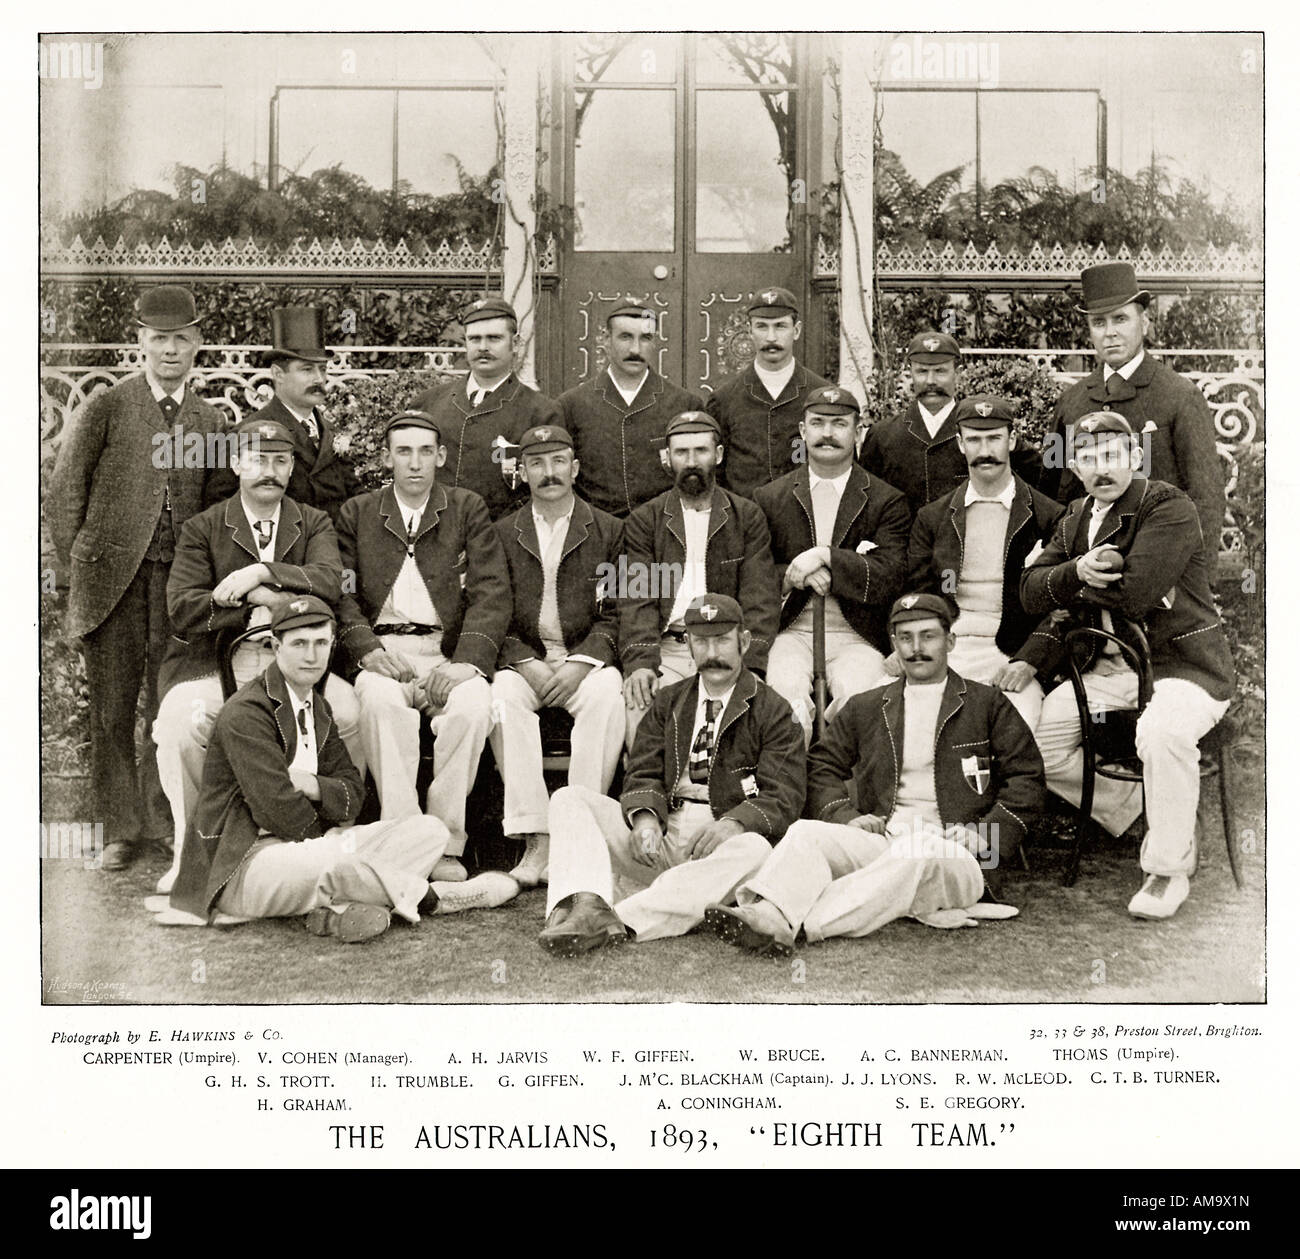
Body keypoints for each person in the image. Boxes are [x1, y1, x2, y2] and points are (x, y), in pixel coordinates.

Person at [706, 593, 1043, 955]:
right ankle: (770, 911)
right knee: (807, 833)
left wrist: (985, 834)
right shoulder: (868, 707)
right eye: (905, 638)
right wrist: (846, 816)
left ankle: (797, 923)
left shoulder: (986, 704)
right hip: (886, 841)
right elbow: (821, 764)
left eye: (928, 636)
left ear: (950, 641)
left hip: (959, 854)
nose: (916, 648)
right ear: (894, 645)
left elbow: (1027, 778)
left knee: (919, 849)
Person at [1021, 411, 1236, 920]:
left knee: (1161, 734)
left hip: (1182, 667)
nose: (1102, 468)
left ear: (1136, 458)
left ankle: (1167, 868)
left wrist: (1066, 574)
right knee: (1034, 747)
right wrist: (1077, 568)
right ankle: (1153, 811)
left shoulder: (1167, 504)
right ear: (1073, 464)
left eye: (1114, 455)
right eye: (1089, 458)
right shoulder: (1075, 515)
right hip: (1109, 671)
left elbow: (1137, 592)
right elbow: (1028, 595)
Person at [152, 596, 450, 942]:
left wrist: (313, 785)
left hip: (309, 847)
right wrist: (332, 837)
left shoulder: (319, 708)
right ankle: (432, 899)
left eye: (321, 643)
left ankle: (335, 909)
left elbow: (353, 796)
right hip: (246, 863)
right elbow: (277, 810)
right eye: (299, 644)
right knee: (335, 864)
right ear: (276, 647)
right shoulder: (245, 712)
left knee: (430, 831)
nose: (311, 656)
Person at [151, 415, 364, 894]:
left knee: (349, 712)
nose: (269, 470)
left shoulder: (313, 521)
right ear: (235, 463)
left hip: (299, 665)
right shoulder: (203, 527)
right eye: (257, 459)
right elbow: (183, 608)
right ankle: (194, 851)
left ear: (291, 468)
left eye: (280, 461)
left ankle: (333, 839)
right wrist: (256, 598)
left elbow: (329, 581)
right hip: (217, 663)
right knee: (182, 723)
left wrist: (261, 571)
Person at [49, 285, 222, 870]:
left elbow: (217, 505)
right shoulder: (108, 406)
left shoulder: (209, 419)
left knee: (169, 706)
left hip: (176, 587)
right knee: (113, 710)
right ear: (140, 343)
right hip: (112, 581)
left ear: (197, 343)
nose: (170, 350)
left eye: (181, 339)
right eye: (158, 339)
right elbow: (67, 490)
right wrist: (70, 578)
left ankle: (164, 820)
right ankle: (121, 830)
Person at [537, 595, 806, 955]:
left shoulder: (773, 710)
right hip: (665, 831)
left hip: (720, 842)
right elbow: (643, 769)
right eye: (701, 642)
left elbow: (784, 795)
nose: (712, 653)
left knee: (756, 849)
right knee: (569, 798)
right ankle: (582, 905)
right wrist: (646, 819)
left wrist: (736, 823)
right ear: (689, 646)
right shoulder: (669, 701)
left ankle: (622, 917)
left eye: (722, 640)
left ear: (743, 641)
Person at [335, 410, 511, 881]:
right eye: (404, 451)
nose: (415, 463)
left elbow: (492, 590)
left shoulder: (465, 507)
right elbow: (341, 592)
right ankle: (403, 837)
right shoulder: (359, 512)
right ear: (386, 456)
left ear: (441, 456)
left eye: (425, 452)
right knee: (379, 704)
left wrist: (467, 662)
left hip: (446, 652)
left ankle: (447, 843)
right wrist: (366, 650)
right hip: (385, 651)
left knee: (475, 708)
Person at [484, 424, 626, 897]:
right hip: (526, 663)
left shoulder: (609, 530)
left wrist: (583, 662)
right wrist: (525, 663)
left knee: (608, 695)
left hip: (584, 662)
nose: (550, 473)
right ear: (522, 472)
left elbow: (622, 610)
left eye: (559, 462)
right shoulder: (501, 534)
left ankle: (579, 830)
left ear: (575, 468)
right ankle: (538, 838)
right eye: (538, 464)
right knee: (502, 699)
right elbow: (490, 613)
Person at [1038, 262, 1225, 570]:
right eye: (1099, 322)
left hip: (1159, 576)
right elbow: (1052, 494)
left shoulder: (1179, 396)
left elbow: (1206, 499)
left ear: (1145, 322)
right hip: (1084, 577)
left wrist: (1195, 585)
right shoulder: (1071, 403)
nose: (1110, 333)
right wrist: (1055, 578)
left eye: (1121, 319)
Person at [755, 385, 910, 742]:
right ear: (802, 430)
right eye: (818, 423)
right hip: (790, 631)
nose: (827, 433)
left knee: (863, 701)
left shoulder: (886, 501)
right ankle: (790, 793)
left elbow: (891, 576)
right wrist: (794, 577)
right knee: (784, 702)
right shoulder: (770, 498)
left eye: (839, 424)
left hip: (857, 635)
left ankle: (844, 794)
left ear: (857, 433)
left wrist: (826, 558)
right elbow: (756, 573)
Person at [903, 394, 1065, 729]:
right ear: (960, 444)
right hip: (947, 646)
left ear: (1012, 440)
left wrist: (1030, 661)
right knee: (908, 723)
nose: (985, 450)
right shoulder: (933, 518)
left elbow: (1061, 607)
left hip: (1010, 651)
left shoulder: (1049, 517)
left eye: (994, 438)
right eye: (974, 440)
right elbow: (919, 595)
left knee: (1016, 732)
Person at [619, 412, 779, 748]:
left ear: (718, 455)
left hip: (725, 644)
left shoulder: (745, 516)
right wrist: (641, 662)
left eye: (701, 451)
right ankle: (646, 799)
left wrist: (749, 666)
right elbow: (638, 599)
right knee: (640, 708)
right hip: (670, 649)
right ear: (667, 458)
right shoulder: (645, 521)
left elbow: (759, 600)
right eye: (681, 453)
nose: (691, 462)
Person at [407, 297, 562, 521]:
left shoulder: (542, 412)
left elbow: (548, 492)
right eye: (474, 339)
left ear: (516, 344)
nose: (483, 348)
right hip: (434, 535)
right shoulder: (428, 404)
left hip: (503, 541)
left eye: (494, 338)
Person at [206, 306, 359, 521]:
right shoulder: (247, 434)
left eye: (323, 369)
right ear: (278, 374)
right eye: (307, 370)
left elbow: (354, 497)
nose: (319, 379)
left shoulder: (331, 431)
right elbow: (220, 508)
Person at [559, 300, 704, 517]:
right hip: (598, 535)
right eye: (625, 337)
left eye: (645, 338)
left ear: (655, 342)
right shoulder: (572, 405)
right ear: (606, 340)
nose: (635, 349)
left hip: (661, 534)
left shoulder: (684, 405)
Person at [705, 286, 833, 497]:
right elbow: (714, 472)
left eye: (780, 326)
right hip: (745, 522)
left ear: (797, 330)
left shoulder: (821, 394)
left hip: (805, 519)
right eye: (762, 327)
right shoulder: (724, 400)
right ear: (749, 331)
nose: (771, 337)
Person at [859, 330, 968, 517]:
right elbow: (865, 503)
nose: (930, 381)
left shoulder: (977, 433)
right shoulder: (882, 436)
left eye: (940, 371)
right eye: (922, 371)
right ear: (910, 373)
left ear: (957, 374)